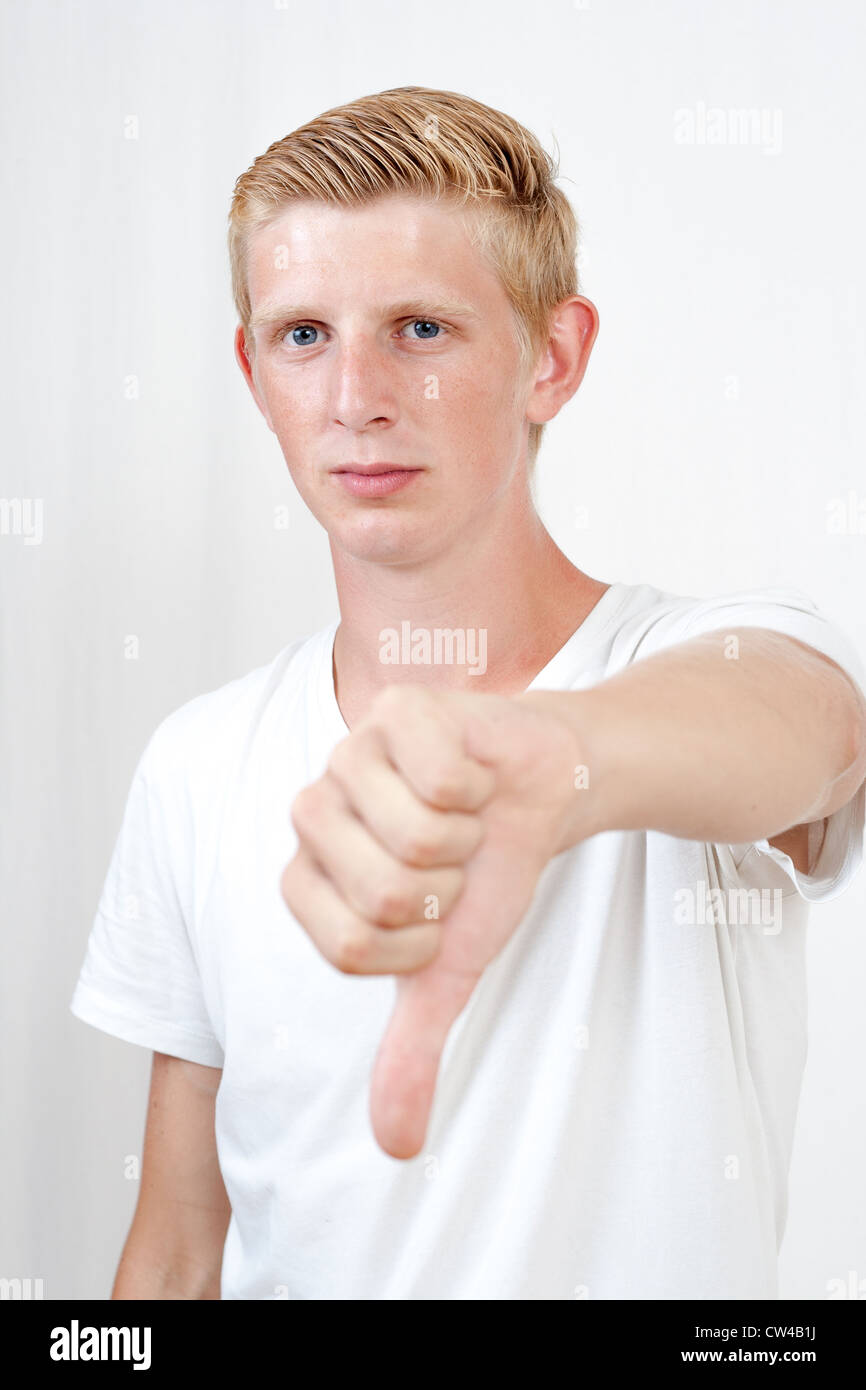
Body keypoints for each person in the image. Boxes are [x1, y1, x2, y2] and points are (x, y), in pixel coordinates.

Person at [70, 86, 866, 1301]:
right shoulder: (198, 762)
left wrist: (549, 756)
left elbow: (815, 732)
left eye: (421, 329)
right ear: (253, 371)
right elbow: (177, 1248)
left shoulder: (712, 655)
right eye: (302, 336)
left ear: (551, 358)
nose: (353, 397)